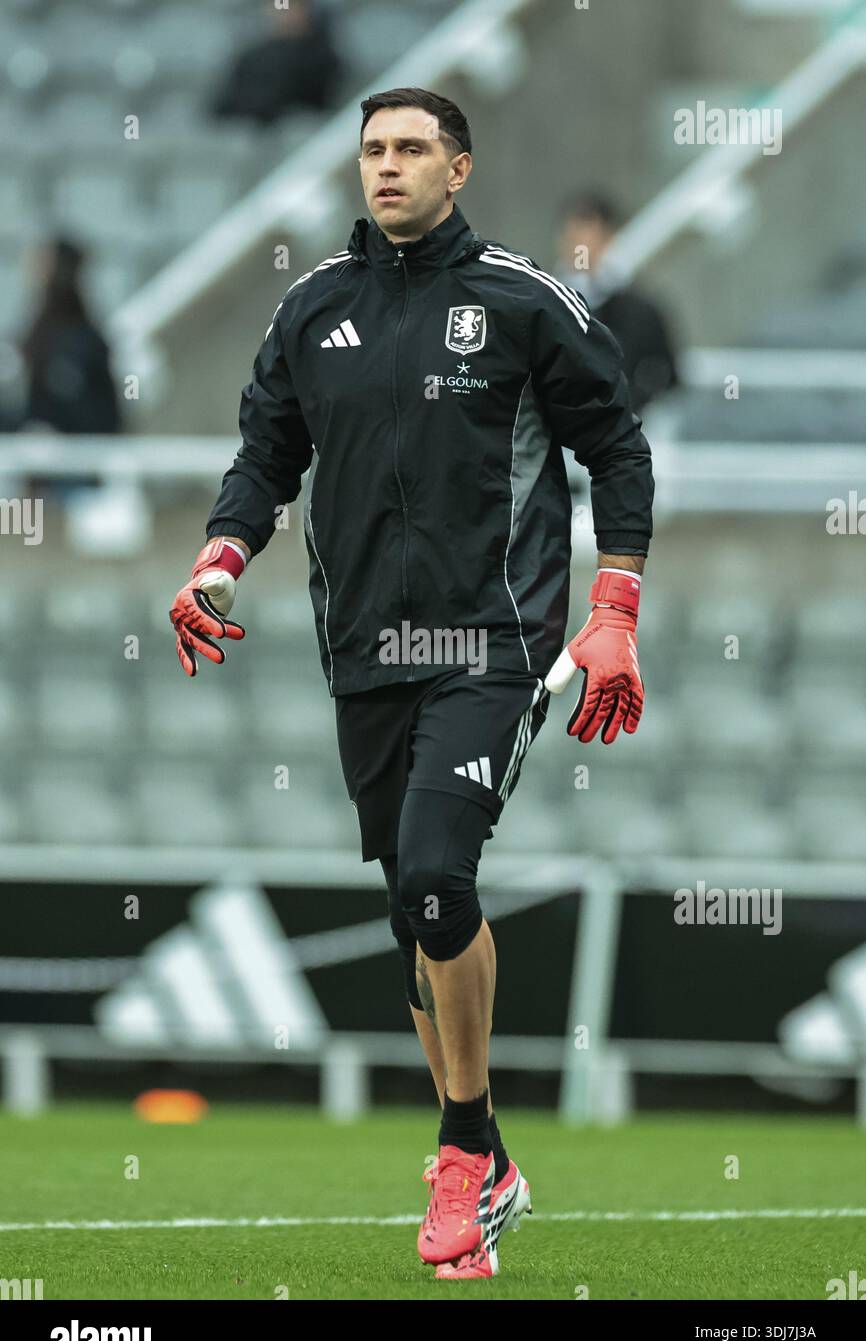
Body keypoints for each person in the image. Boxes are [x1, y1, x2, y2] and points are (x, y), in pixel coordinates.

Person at [170, 87, 653, 1279]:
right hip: (363, 653)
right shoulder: (312, 309)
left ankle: (460, 1145)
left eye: (408, 150)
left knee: (441, 871)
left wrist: (612, 612)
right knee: (416, 912)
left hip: (492, 641)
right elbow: (265, 453)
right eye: (370, 150)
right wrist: (220, 557)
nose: (384, 168)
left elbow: (617, 446)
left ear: (459, 167)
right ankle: (488, 1159)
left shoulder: (521, 300)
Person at [556, 191, 678, 415]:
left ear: (608, 239)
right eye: (572, 236)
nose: (577, 245)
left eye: (586, 235)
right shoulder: (546, 303)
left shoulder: (640, 312)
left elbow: (667, 376)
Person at [17, 237, 120, 436]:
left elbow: (123, 394)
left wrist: (133, 388)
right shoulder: (38, 331)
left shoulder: (84, 339)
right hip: (38, 449)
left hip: (81, 451)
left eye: (42, 263)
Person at [209, 0, 341, 127]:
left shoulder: (322, 57)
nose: (286, 12)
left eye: (293, 5)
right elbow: (221, 106)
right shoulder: (251, 55)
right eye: (280, 5)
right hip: (243, 130)